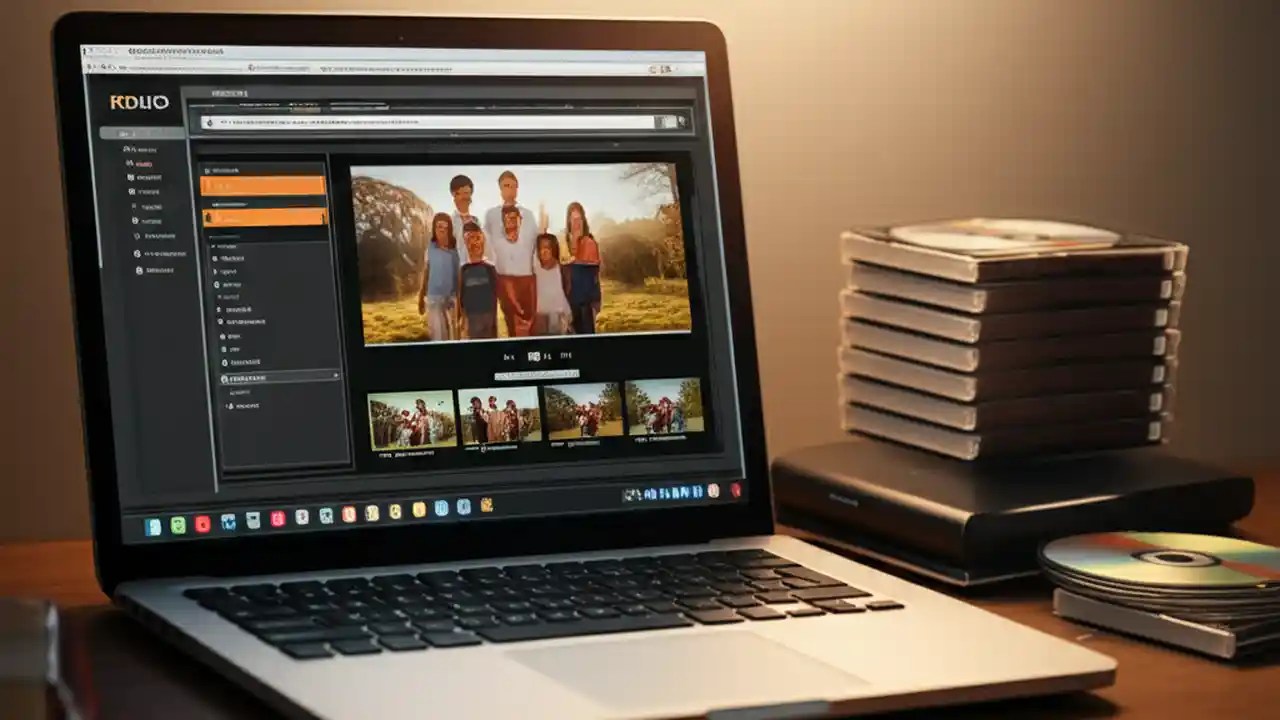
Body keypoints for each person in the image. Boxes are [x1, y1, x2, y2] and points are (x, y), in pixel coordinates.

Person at [485, 172, 540, 337]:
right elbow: (486, 245)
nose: (509, 189)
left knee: (529, 324)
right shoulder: (492, 215)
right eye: (505, 186)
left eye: (512, 185)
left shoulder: (528, 215)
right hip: (504, 278)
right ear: (500, 189)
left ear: (517, 188)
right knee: (512, 325)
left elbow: (535, 244)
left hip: (526, 277)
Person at [418, 213, 460, 341]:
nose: (442, 230)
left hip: (451, 299)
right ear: (434, 229)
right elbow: (426, 272)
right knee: (438, 336)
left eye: (445, 227)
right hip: (434, 299)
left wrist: (459, 300)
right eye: (439, 226)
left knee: (453, 337)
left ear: (450, 229)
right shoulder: (430, 249)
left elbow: (458, 276)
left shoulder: (455, 250)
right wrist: (421, 296)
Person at [564, 202, 602, 334]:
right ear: (568, 222)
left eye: (579, 219)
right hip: (568, 302)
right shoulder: (563, 244)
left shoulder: (590, 243)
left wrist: (596, 301)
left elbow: (594, 276)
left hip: (586, 303)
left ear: (583, 221)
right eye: (573, 220)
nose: (576, 223)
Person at [457, 222, 498, 339]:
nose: (474, 243)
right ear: (465, 243)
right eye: (470, 239)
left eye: (477, 238)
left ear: (483, 241)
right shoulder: (463, 270)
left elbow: (495, 296)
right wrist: (462, 319)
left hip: (488, 318)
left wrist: (493, 323)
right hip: (471, 319)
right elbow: (460, 297)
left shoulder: (490, 268)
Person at [533, 233, 572, 335]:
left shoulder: (563, 271)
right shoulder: (534, 271)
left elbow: (566, 294)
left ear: (553, 249)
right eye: (541, 248)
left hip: (559, 318)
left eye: (547, 248)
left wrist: (567, 316)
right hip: (540, 319)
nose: (544, 251)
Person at [448, 174, 485, 264]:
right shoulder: (449, 222)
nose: (467, 198)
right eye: (463, 193)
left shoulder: (477, 222)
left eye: (468, 194)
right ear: (454, 195)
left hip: (474, 270)